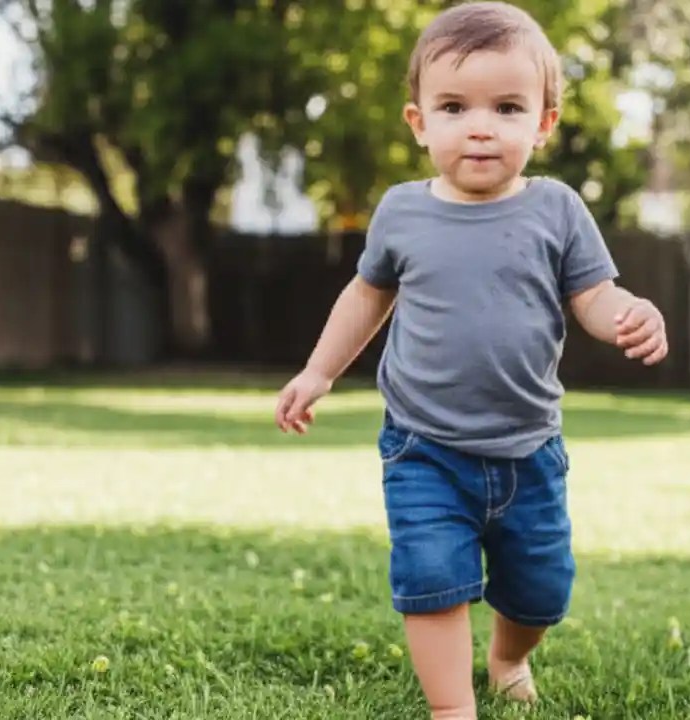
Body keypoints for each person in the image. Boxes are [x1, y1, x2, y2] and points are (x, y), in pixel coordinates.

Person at [274, 2, 668, 717]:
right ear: (420, 122)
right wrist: (317, 371)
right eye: (454, 106)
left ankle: (508, 655)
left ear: (543, 124)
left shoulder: (556, 211)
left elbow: (594, 298)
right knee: (432, 577)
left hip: (529, 451)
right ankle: (451, 706)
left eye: (507, 107)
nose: (480, 125)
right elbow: (365, 297)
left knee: (541, 589)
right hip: (424, 446)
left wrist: (629, 316)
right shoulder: (402, 212)